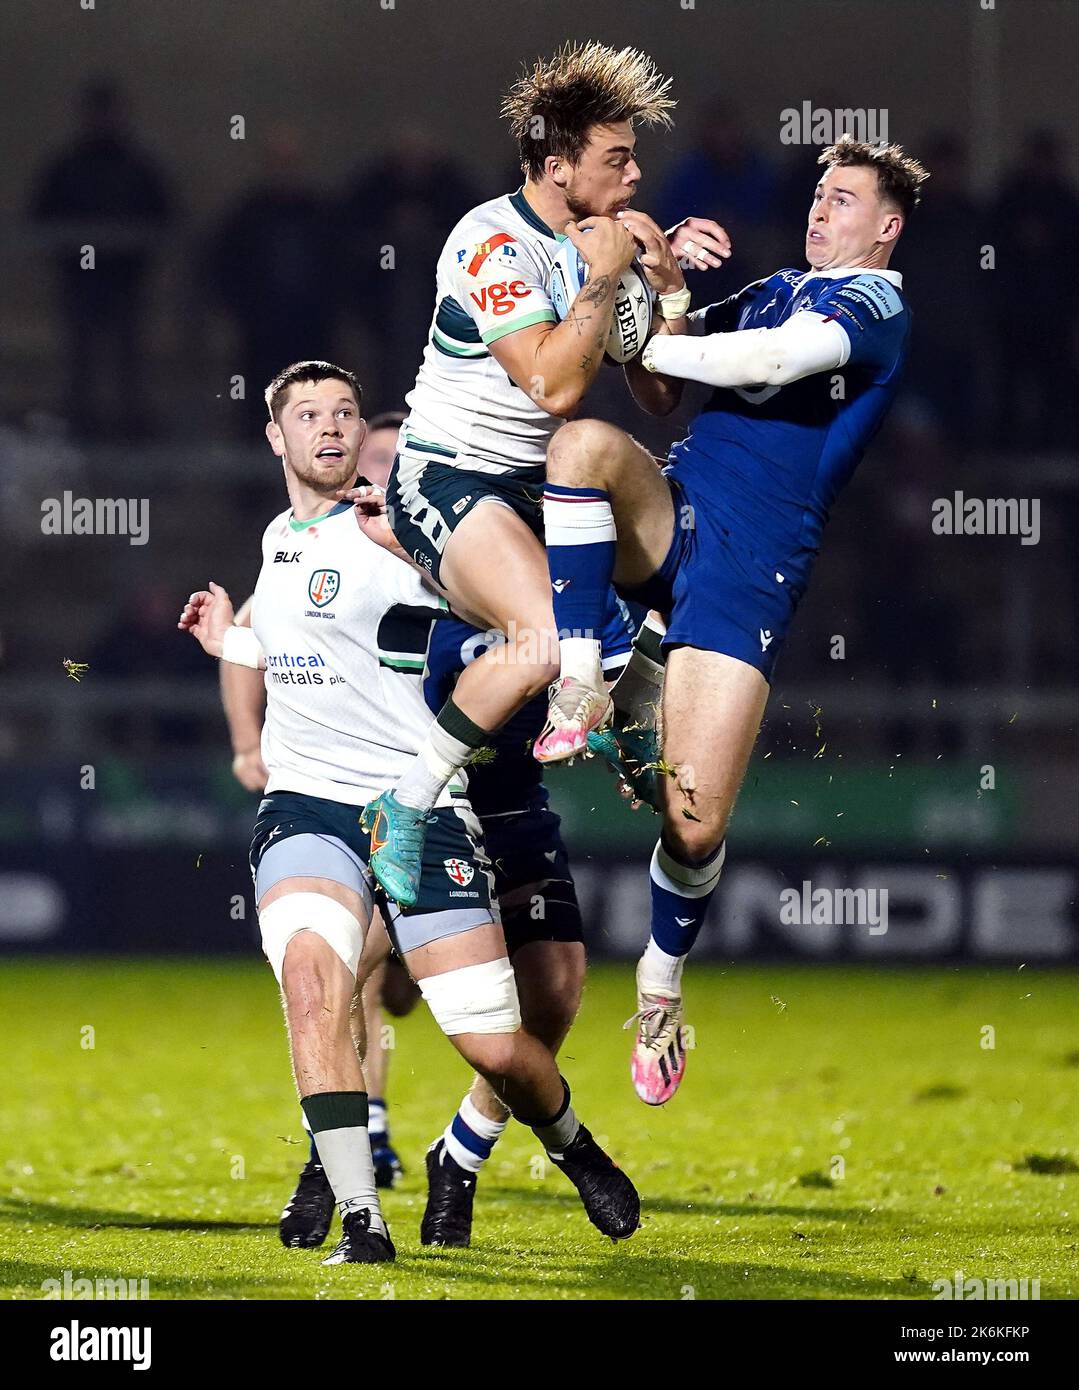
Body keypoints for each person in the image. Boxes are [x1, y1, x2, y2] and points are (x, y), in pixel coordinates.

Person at [179, 360, 640, 1262]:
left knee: (494, 1045)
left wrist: (423, 558)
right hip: (306, 806)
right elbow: (303, 647)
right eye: (308, 414)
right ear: (275, 438)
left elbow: (525, 625)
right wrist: (228, 638)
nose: (331, 426)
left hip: (423, 809)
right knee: (314, 983)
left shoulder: (409, 534)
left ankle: (570, 1144)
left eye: (345, 411)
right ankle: (361, 1213)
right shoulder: (279, 537)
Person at [536, 136, 928, 1105]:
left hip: (751, 570)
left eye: (841, 200)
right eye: (815, 196)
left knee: (693, 823)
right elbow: (658, 383)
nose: (818, 212)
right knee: (579, 444)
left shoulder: (876, 304)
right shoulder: (771, 284)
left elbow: (765, 359)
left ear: (886, 225)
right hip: (679, 509)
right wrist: (654, 279)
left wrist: (653, 328)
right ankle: (588, 674)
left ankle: (660, 986)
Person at [358, 40, 729, 910]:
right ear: (558, 168)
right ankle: (403, 804)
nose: (636, 175)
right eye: (617, 158)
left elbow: (661, 391)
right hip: (448, 477)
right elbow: (557, 386)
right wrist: (605, 276)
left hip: (536, 491)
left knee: (668, 579)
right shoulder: (489, 243)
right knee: (538, 641)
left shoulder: (609, 241)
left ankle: (628, 692)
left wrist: (666, 287)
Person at [217, 410, 410, 1245]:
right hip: (329, 806)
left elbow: (520, 624)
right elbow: (249, 641)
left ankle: (475, 1154)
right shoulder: (297, 541)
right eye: (372, 453)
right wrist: (246, 745)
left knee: (491, 1025)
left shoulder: (430, 539)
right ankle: (345, 1158)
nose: (373, 466)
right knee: (335, 982)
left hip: (442, 801)